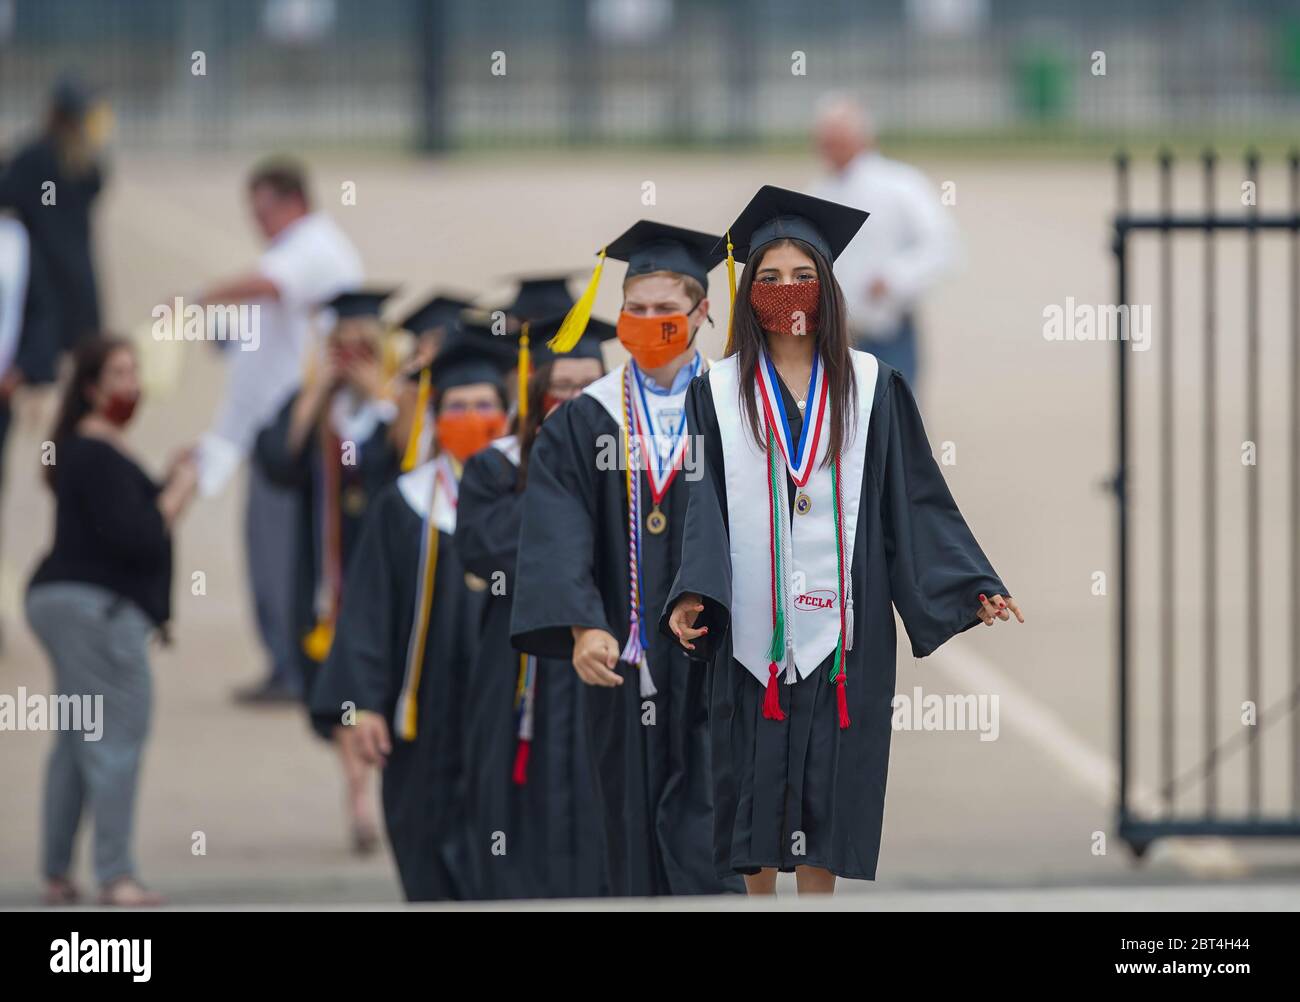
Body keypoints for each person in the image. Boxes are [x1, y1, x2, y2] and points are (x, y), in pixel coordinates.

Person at [663, 186, 1022, 895]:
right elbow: (699, 503)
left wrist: (965, 582)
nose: (785, 291)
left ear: (827, 290)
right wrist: (692, 589)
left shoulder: (872, 386)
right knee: (752, 773)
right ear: (748, 294)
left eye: (803, 277)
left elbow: (913, 498)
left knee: (832, 774)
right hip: (751, 624)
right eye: (767, 279)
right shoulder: (718, 389)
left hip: (843, 629)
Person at [510, 220, 743, 896]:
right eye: (635, 310)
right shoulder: (585, 419)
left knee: (714, 828)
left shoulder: (737, 408)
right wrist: (583, 623)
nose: (649, 322)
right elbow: (558, 528)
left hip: (717, 661)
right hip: (626, 658)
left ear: (702, 311)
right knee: (628, 827)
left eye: (666, 310)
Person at [309, 334, 510, 901]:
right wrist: (363, 703)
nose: (471, 418)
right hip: (421, 721)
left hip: (503, 717)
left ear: (507, 413)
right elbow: (369, 611)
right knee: (426, 856)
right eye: (456, 407)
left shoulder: (532, 498)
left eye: (483, 406)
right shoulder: (404, 504)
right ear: (434, 416)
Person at [27, 337, 198, 907]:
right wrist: (178, 491)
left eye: (135, 371)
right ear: (92, 387)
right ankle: (116, 876)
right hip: (97, 612)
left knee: (78, 739)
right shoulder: (95, 453)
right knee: (114, 739)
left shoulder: (89, 452)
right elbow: (140, 535)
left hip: (64, 602)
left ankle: (57, 871)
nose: (131, 384)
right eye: (118, 373)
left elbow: (127, 515)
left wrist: (164, 480)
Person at [193, 156, 363, 705]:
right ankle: (283, 660)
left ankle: (293, 665)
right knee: (267, 547)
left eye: (263, 210)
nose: (257, 221)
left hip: (297, 432)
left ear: (292, 201)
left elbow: (267, 285)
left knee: (284, 551)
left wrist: (201, 297)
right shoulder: (291, 249)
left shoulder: (314, 245)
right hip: (267, 429)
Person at [454, 314, 613, 900]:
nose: (573, 399)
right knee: (517, 806)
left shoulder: (626, 459)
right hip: (522, 665)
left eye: (588, 386)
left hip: (601, 661)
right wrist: (557, 472)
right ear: (535, 388)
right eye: (561, 386)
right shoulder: (495, 466)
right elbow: (487, 552)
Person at [253, 289, 405, 853]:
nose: (353, 358)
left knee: (381, 679)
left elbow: (413, 456)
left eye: (364, 346)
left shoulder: (399, 400)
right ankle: (359, 795)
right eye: (341, 348)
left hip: (387, 571)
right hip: (326, 579)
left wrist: (382, 397)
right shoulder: (316, 405)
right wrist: (317, 391)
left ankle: (370, 793)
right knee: (338, 679)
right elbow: (276, 461)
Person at [811, 95, 956, 387]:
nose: (830, 148)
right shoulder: (817, 192)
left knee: (895, 425)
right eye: (825, 141)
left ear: (862, 137)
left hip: (889, 332)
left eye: (838, 139)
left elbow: (942, 244)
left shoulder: (901, 184)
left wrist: (894, 277)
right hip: (834, 337)